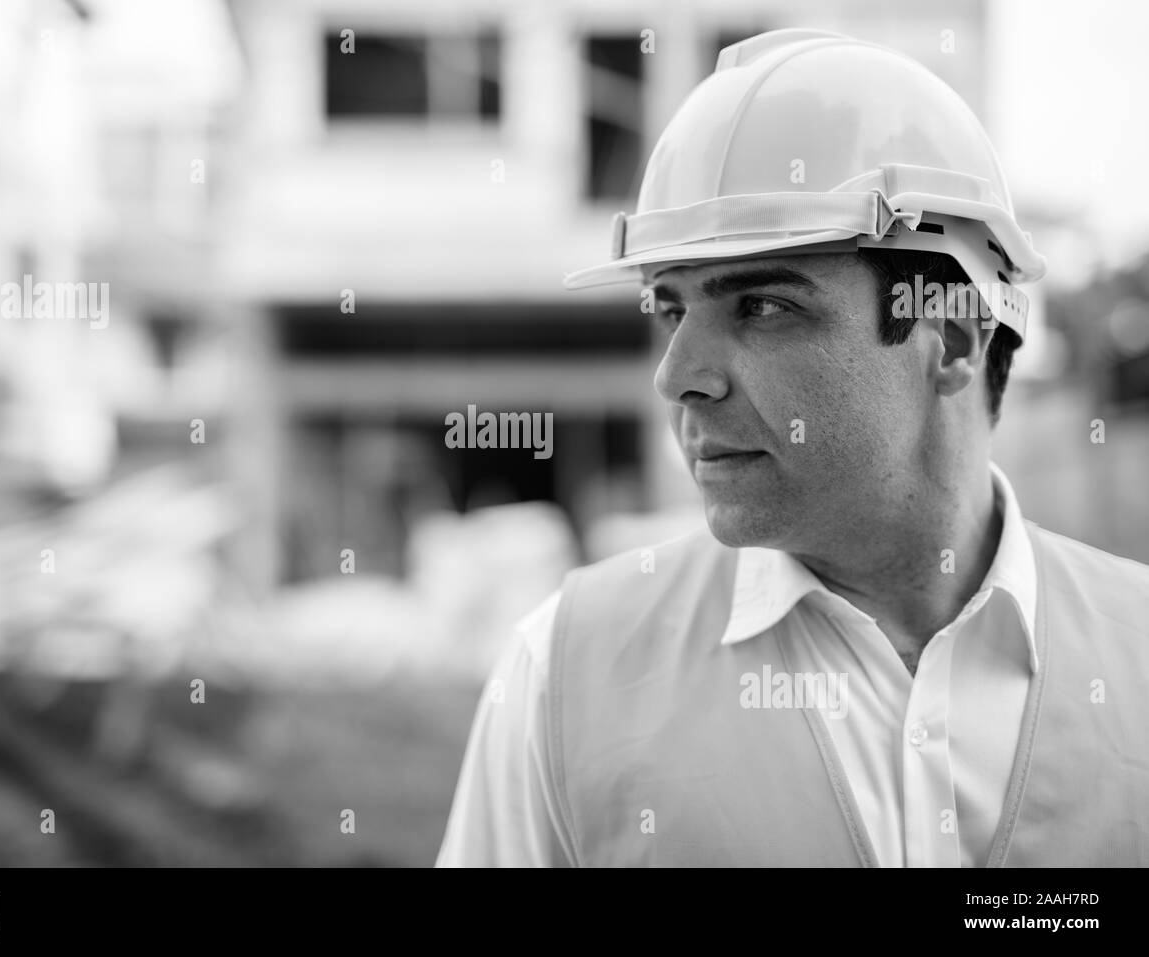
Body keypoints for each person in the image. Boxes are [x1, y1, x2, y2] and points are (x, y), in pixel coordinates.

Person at [436, 29, 1149, 867]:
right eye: (671, 311)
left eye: (763, 307)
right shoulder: (562, 676)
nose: (677, 377)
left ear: (951, 337)